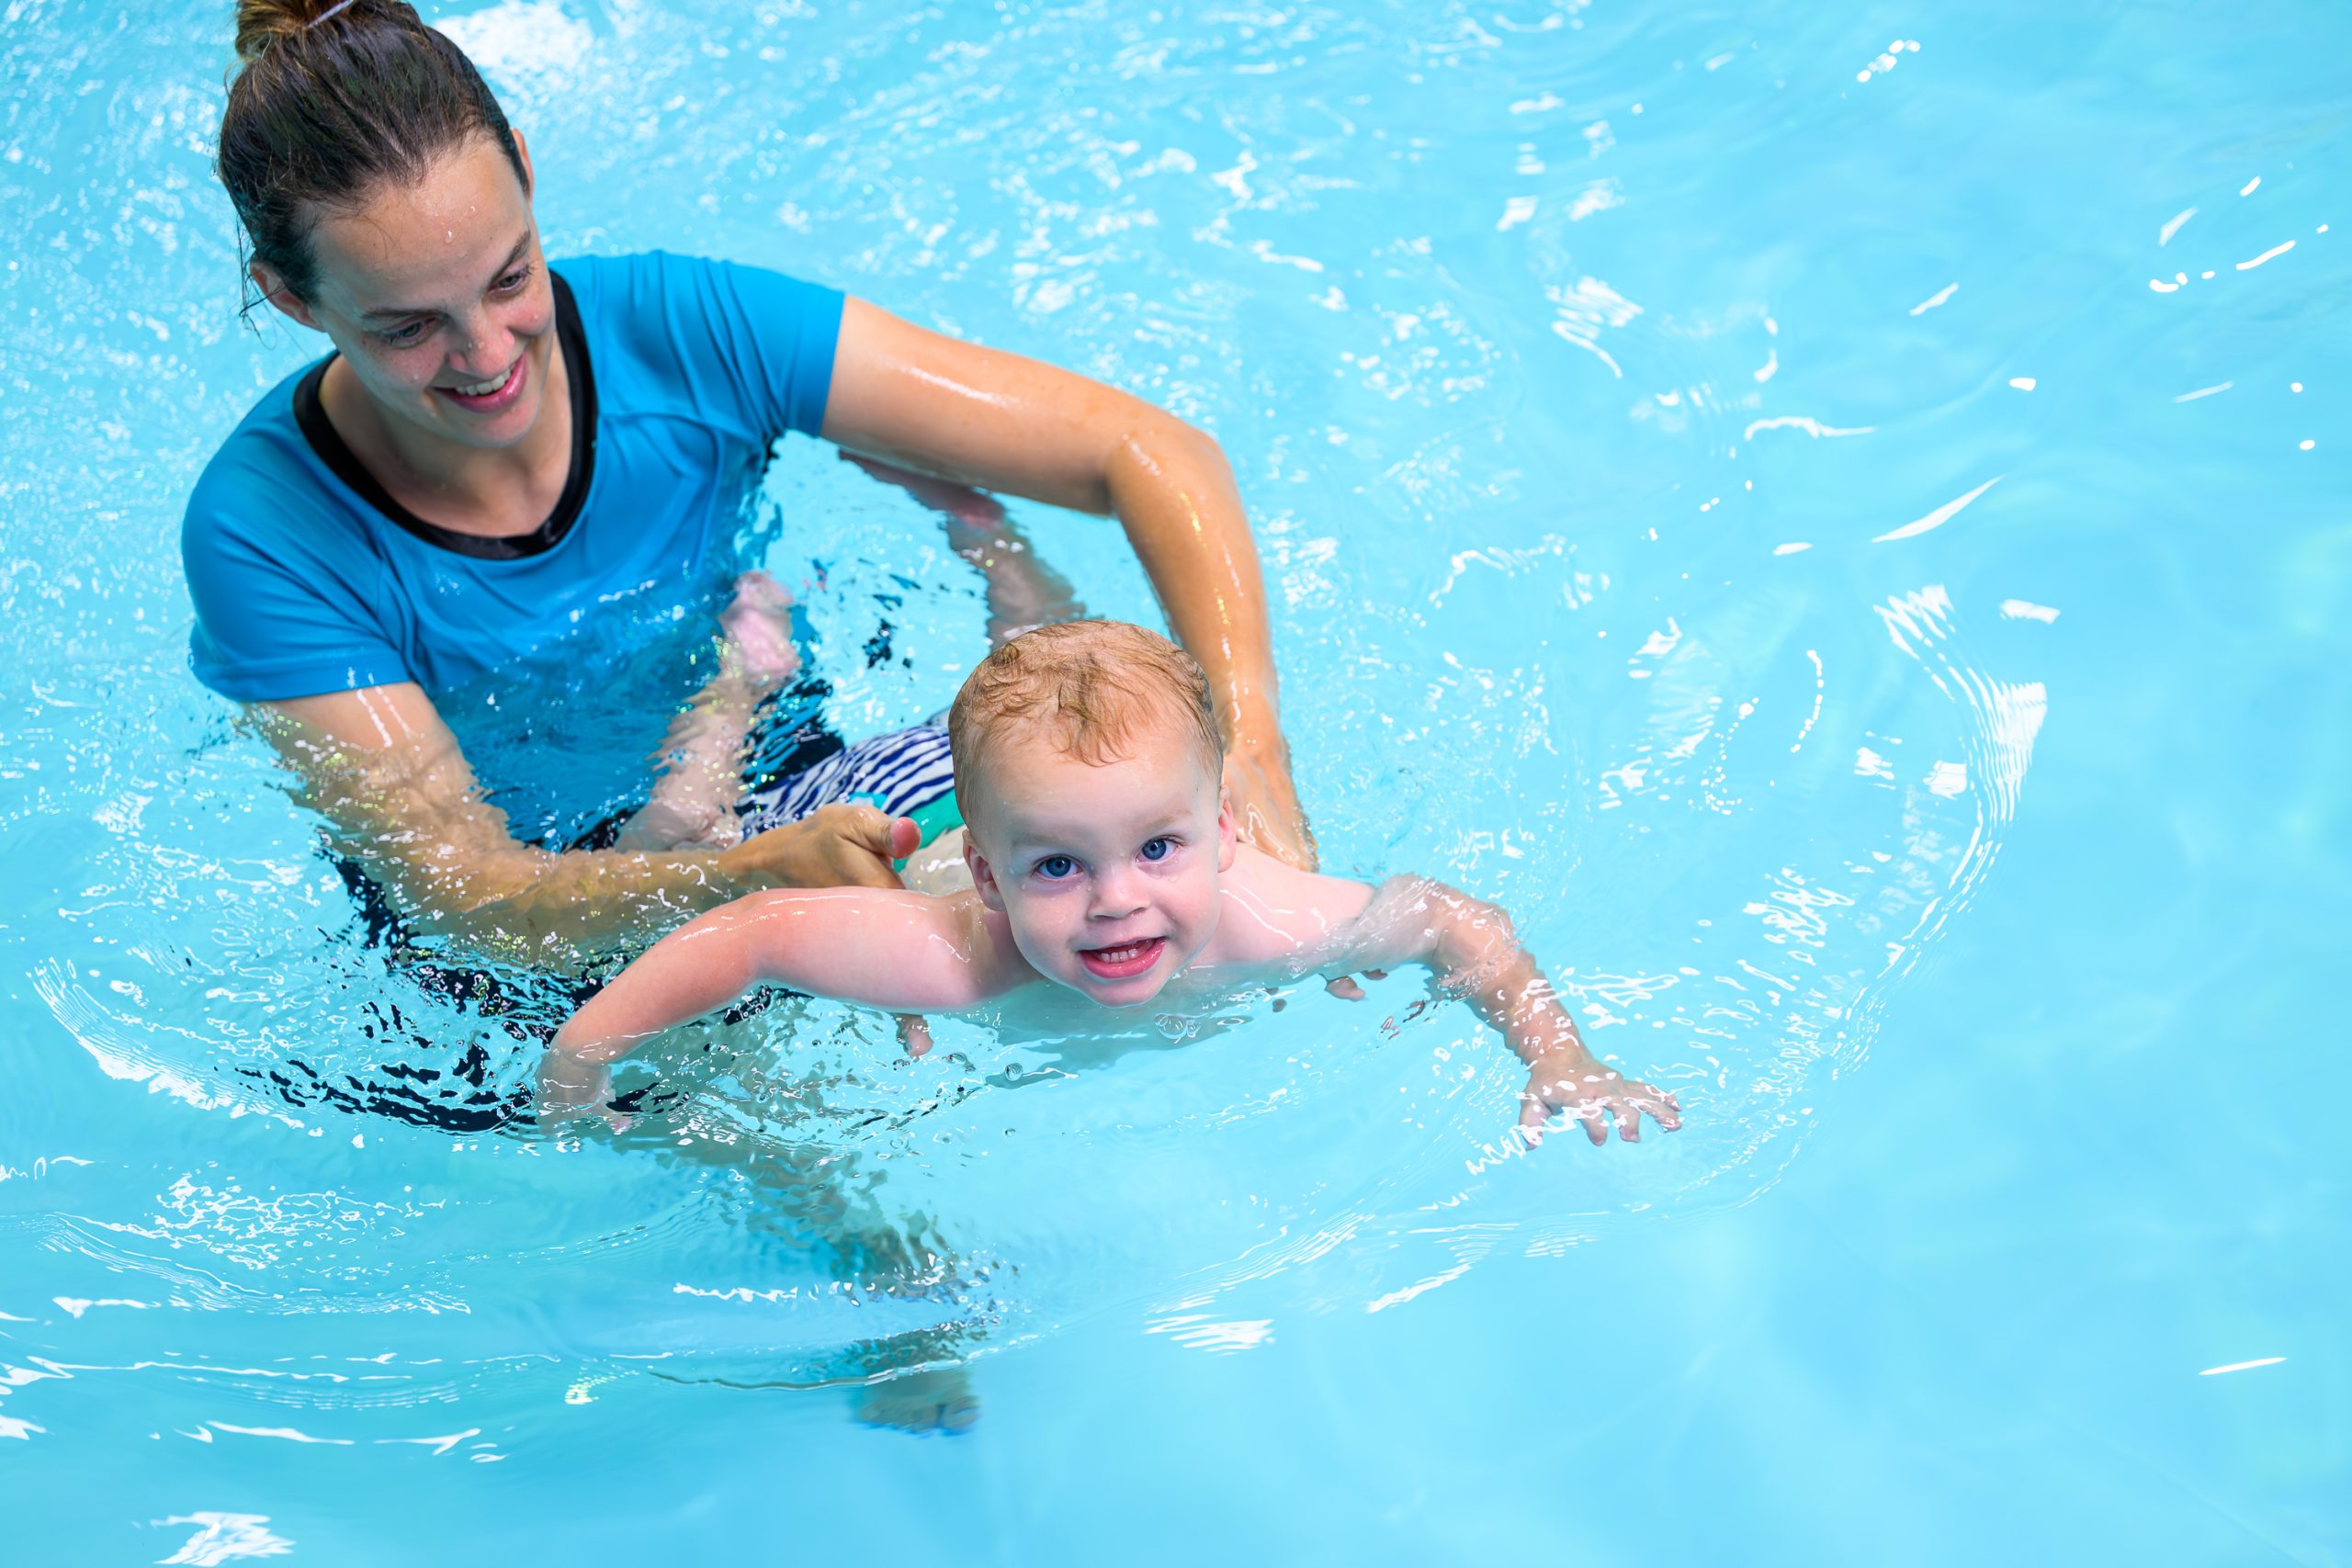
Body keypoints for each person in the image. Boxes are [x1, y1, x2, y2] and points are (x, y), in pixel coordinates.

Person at [188, 0, 1314, 967]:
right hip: (530, 944)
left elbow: (1148, 454)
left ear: (526, 173)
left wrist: (1250, 746)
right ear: (292, 300)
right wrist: (735, 881)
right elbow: (472, 897)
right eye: (407, 328)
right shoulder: (267, 534)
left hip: (777, 784)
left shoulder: (683, 331)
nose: (487, 354)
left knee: (1109, 852)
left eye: (511, 276)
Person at [540, 622, 1685, 1149]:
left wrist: (1558, 1053)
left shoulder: (1272, 920)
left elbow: (1453, 923)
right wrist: (579, 1060)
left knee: (1055, 667)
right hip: (901, 794)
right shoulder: (951, 949)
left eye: (1159, 851)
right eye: (1054, 873)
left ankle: (998, 556)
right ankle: (746, 676)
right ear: (988, 883)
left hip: (1047, 773)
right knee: (676, 834)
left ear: (1226, 831)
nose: (1115, 902)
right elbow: (746, 931)